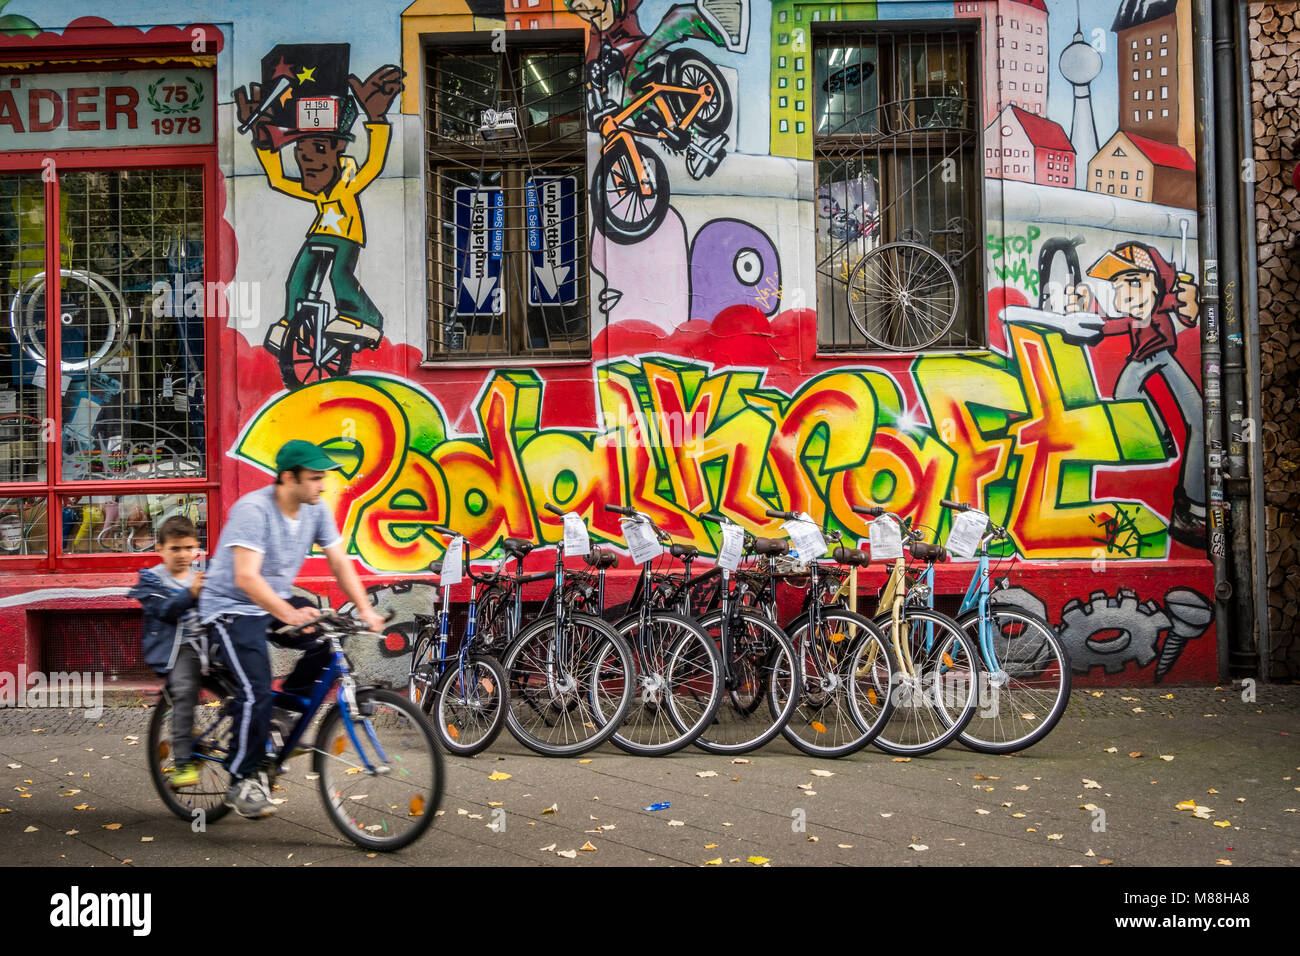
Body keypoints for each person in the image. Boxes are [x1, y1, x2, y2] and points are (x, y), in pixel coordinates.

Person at [199, 439, 386, 819]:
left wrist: (365, 608)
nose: (322, 485)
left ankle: (281, 712)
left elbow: (339, 562)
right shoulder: (254, 510)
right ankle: (243, 779)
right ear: (288, 477)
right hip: (231, 608)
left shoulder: (314, 510)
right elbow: (246, 578)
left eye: (322, 478)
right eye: (315, 478)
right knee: (255, 687)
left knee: (330, 637)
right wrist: (288, 613)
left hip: (274, 599)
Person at [1066, 241, 1205, 546]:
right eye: (1118, 286)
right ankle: (1159, 437)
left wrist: (1190, 300)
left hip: (1160, 356)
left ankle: (1195, 508)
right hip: (1142, 360)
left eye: (1133, 282)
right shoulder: (1133, 319)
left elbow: (1186, 308)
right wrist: (1086, 309)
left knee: (1196, 417)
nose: (1124, 293)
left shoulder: (1164, 305)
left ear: (1155, 283)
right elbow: (1105, 327)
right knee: (1125, 396)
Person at [128, 515, 205, 789]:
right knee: (183, 694)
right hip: (177, 649)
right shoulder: (153, 580)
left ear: (196, 547)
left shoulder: (201, 574)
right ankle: (183, 764)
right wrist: (191, 594)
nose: (182, 555)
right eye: (175, 548)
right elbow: (164, 611)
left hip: (207, 645)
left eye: (188, 548)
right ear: (160, 548)